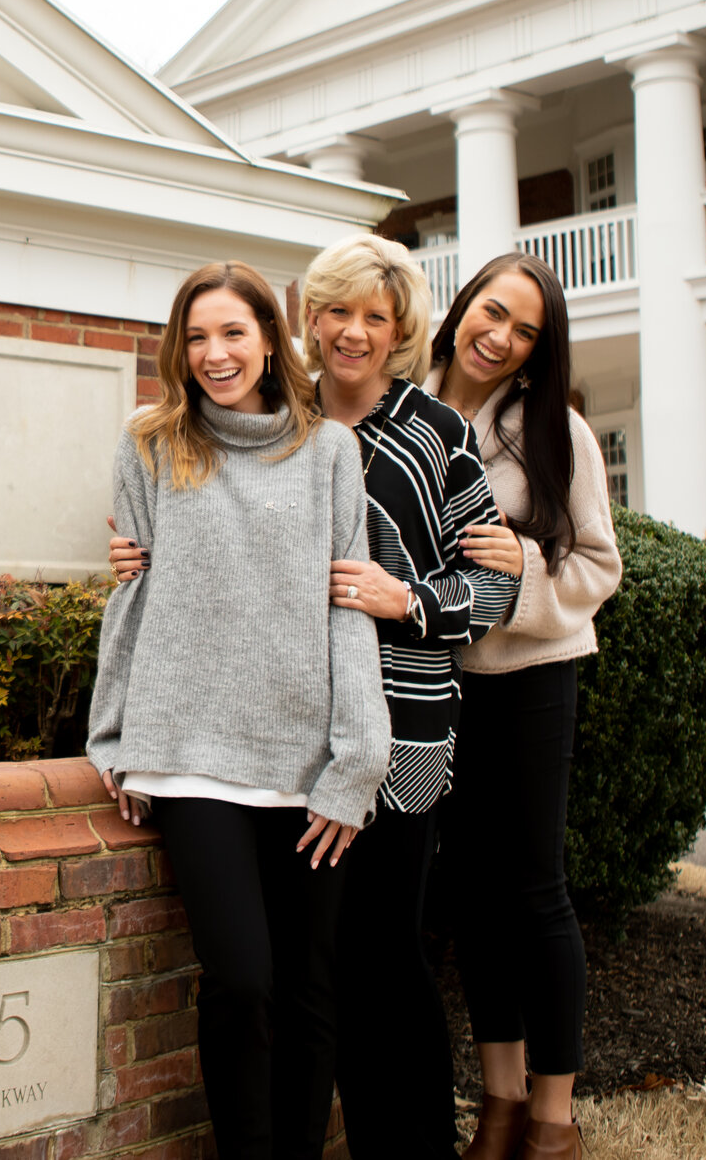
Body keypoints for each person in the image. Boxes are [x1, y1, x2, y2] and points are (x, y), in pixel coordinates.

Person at [111, 235, 519, 1159]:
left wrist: (404, 597)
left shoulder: (433, 433)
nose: (354, 331)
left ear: (399, 329)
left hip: (394, 731)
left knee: (384, 963)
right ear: (309, 321)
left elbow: (492, 585)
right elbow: (165, 571)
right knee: (295, 976)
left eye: (376, 316)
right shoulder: (258, 424)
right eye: (338, 311)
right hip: (275, 733)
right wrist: (141, 561)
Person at [87, 259, 388, 1160]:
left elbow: (348, 606)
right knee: (243, 982)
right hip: (191, 756)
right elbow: (133, 594)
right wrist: (114, 732)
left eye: (232, 332)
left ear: (269, 339)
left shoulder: (330, 451)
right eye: (196, 337)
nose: (215, 353)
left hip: (308, 765)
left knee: (309, 991)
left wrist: (358, 760)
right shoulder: (150, 444)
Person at [422, 251, 623, 1160]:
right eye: (492, 311)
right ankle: (498, 1101)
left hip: (534, 672)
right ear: (464, 305)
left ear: (539, 350)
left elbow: (599, 563)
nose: (499, 337)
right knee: (469, 891)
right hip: (438, 677)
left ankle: (553, 1113)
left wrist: (526, 566)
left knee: (534, 887)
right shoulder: (406, 407)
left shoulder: (556, 431)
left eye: (525, 330)